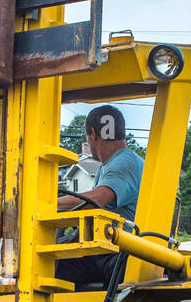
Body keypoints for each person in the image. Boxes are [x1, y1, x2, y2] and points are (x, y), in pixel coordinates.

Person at [54, 105, 144, 289]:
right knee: (61, 254)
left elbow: (96, 200)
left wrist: (47, 204)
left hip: (121, 253)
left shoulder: (123, 163)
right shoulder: (116, 163)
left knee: (50, 264)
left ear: (93, 133)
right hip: (116, 250)